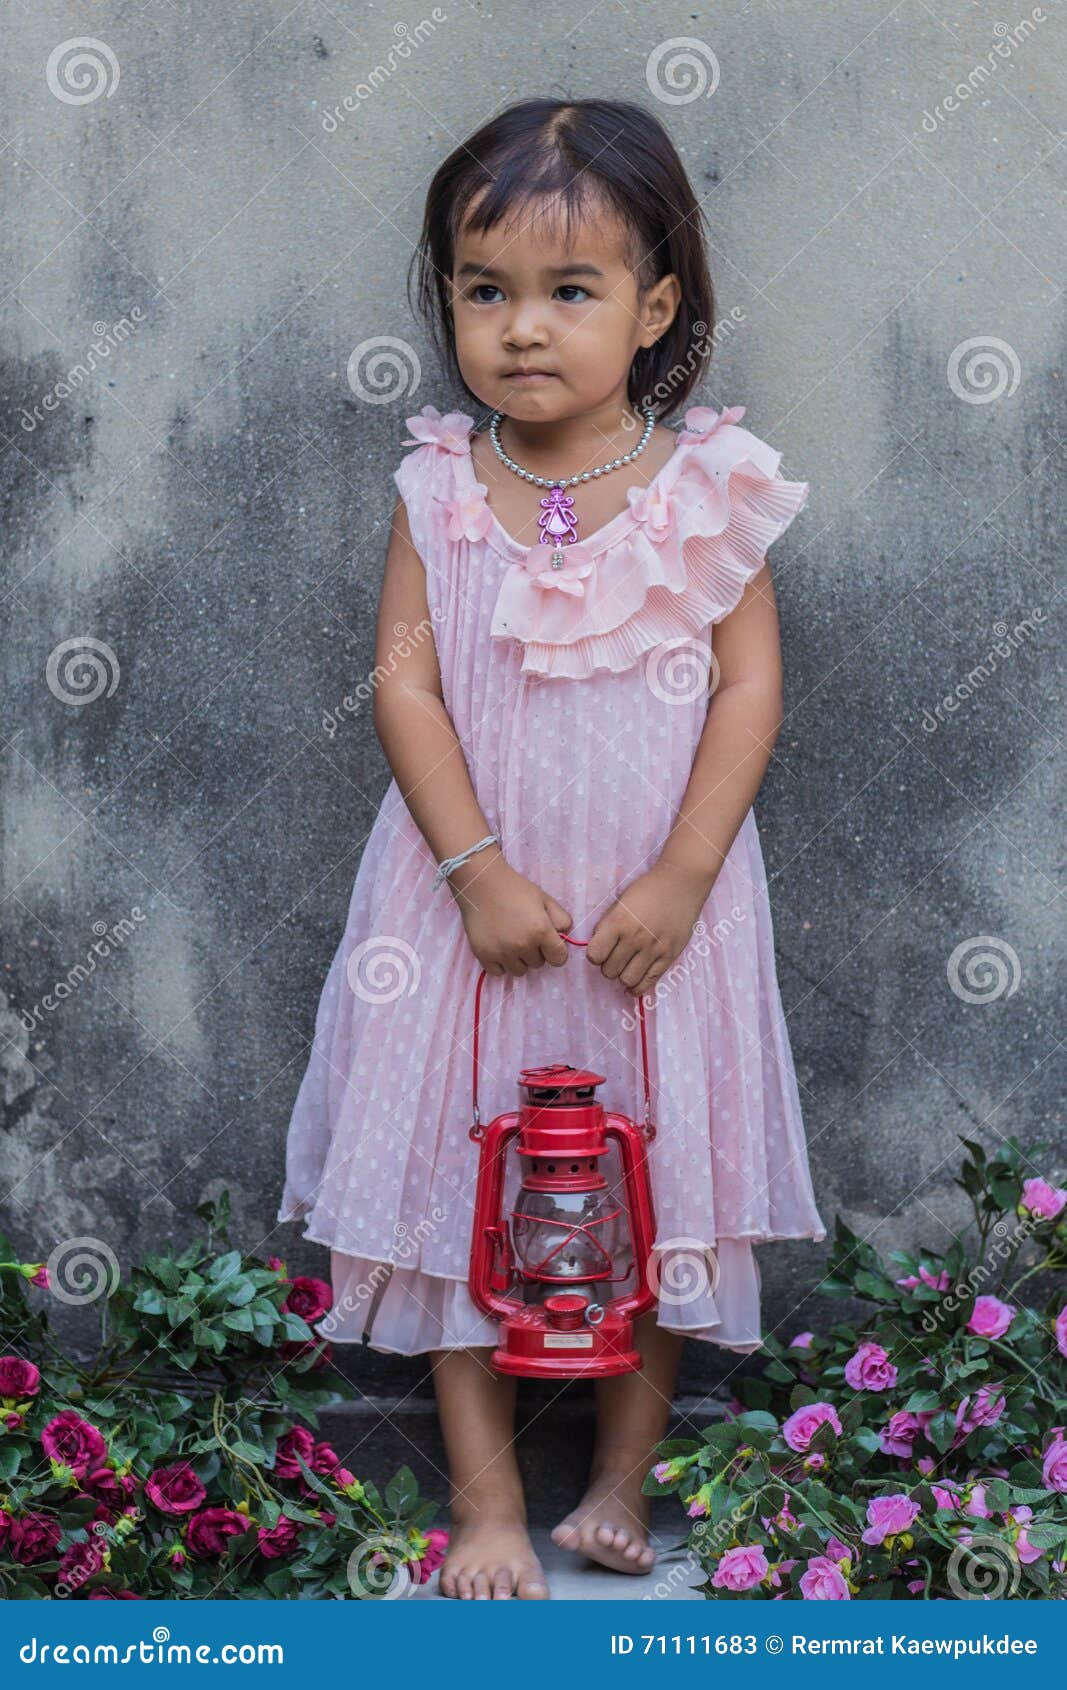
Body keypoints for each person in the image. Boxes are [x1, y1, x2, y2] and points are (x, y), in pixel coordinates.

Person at [278, 96, 825, 1600]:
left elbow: (751, 686)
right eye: (485, 288)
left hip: (663, 912)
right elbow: (404, 683)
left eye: (569, 292)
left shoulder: (706, 484)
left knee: (655, 1187)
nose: (523, 328)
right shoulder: (442, 489)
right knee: (468, 1196)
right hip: (467, 914)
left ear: (654, 308)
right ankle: (488, 1508)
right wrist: (473, 871)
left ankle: (617, 1490)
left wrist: (686, 874)